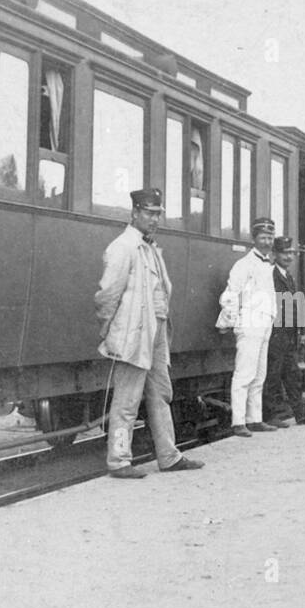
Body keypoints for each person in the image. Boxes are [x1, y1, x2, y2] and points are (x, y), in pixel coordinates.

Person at [94, 188, 204, 478]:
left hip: (154, 334)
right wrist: (109, 329)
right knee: (126, 402)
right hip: (133, 335)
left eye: (157, 213)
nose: (154, 219)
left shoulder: (150, 248)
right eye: (148, 213)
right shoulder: (123, 247)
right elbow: (107, 295)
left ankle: (169, 456)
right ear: (134, 213)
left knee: (161, 395)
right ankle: (118, 461)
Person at [262, 236, 305, 426]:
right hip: (276, 332)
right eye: (284, 253)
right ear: (274, 255)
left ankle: (302, 414)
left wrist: (300, 329)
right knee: (273, 375)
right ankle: (270, 416)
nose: (288, 257)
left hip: (288, 333)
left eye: (291, 253)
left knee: (293, 375)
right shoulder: (271, 275)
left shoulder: (287, 276)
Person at [224, 216, 279, 436]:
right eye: (263, 237)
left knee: (259, 375)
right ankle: (238, 422)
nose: (267, 241)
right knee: (244, 374)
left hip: (264, 323)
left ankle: (254, 419)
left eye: (270, 237)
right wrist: (232, 321)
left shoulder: (267, 264)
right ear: (254, 239)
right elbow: (231, 293)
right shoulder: (244, 264)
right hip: (249, 324)